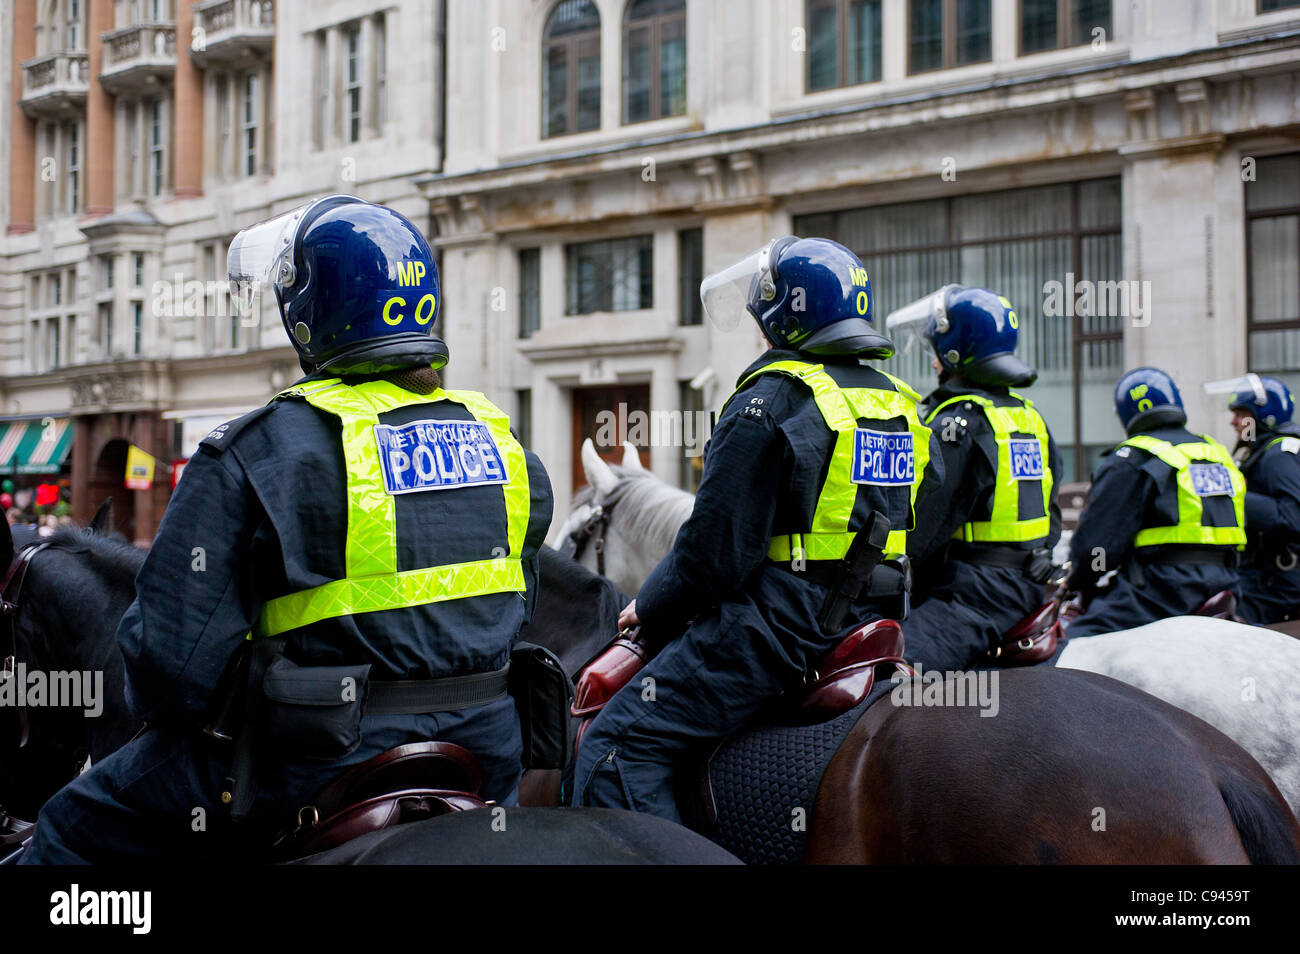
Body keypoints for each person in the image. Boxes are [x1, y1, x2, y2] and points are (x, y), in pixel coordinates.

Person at [21, 195, 553, 863]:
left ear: (308, 312)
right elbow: (513, 610)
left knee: (71, 821)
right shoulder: (508, 450)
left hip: (311, 763)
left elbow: (170, 673)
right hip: (485, 754)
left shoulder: (254, 450)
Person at [571, 236, 944, 822]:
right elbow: (923, 531)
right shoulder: (900, 403)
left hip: (776, 630)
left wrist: (653, 603)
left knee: (616, 749)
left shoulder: (771, 399)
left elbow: (715, 554)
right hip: (875, 622)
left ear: (783, 314)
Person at [885, 286, 1062, 670]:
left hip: (973, 598)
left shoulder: (959, 424)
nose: (933, 364)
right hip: (1029, 583)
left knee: (887, 668)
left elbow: (921, 532)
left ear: (953, 354)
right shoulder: (1029, 417)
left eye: (935, 351)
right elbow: (1053, 516)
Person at [1065, 367, 1243, 637]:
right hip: (1226, 586)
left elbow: (1098, 545)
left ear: (1126, 414)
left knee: (1072, 647)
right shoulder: (1216, 453)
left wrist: (1077, 582)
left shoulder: (1133, 458)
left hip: (1162, 594)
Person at [1205, 373, 1300, 623]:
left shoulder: (1279, 454)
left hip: (1278, 584)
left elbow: (1292, 518)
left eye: (1240, 415)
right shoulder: (1263, 452)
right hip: (1266, 577)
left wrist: (1235, 494)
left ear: (1265, 416)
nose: (1233, 422)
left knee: (1220, 629)